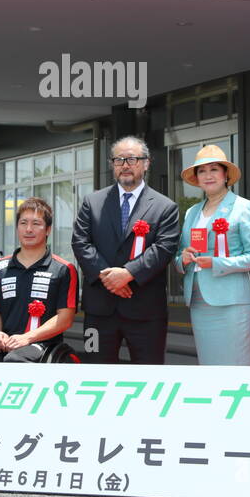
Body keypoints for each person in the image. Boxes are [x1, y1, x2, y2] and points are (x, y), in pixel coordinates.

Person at [72, 136, 180, 364]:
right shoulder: (93, 202)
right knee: (94, 370)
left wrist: (128, 274)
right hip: (99, 310)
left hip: (146, 312)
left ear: (146, 163)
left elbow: (163, 249)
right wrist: (108, 277)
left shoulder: (165, 207)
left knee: (149, 374)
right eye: (118, 160)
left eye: (132, 159)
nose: (125, 165)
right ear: (112, 165)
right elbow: (81, 242)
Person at [175, 145, 250, 366]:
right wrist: (182, 259)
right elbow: (181, 253)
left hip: (232, 301)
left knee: (238, 365)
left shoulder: (243, 207)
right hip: (198, 299)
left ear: (226, 175)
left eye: (214, 169)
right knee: (209, 365)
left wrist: (216, 263)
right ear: (196, 178)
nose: (208, 175)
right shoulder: (192, 212)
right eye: (202, 171)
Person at [0, 197, 78, 363]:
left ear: (48, 229)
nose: (28, 229)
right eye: (23, 223)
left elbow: (65, 318)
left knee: (15, 361)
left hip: (40, 343)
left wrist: (27, 338)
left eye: (36, 224)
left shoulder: (63, 269)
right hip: (4, 342)